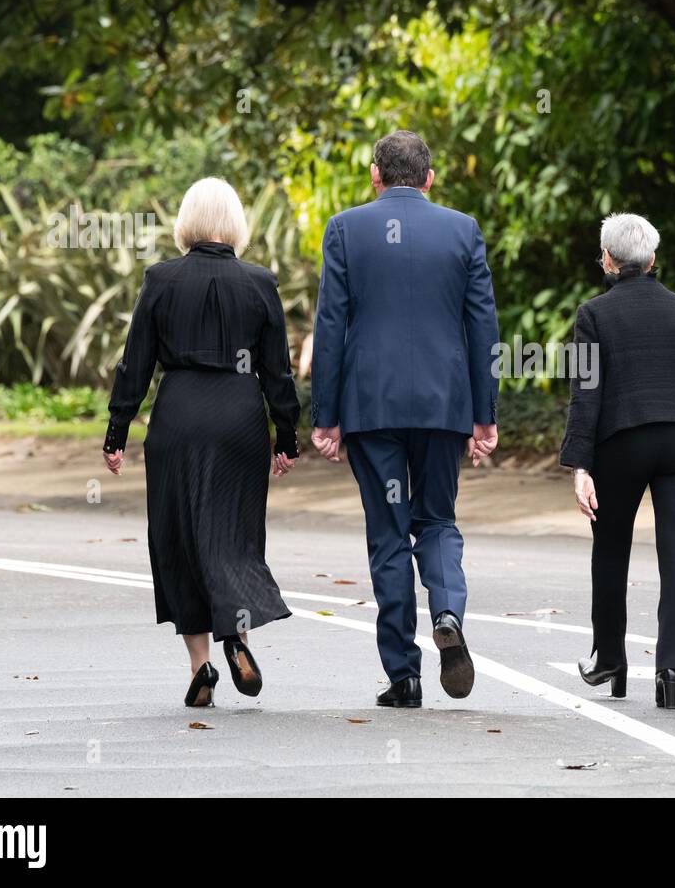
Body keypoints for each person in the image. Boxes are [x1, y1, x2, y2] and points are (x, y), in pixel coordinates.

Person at [310, 130, 499, 709]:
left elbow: (331, 326)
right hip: (445, 405)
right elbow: (483, 327)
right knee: (437, 518)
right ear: (430, 178)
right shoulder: (462, 230)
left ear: (374, 174)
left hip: (372, 407)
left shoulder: (346, 229)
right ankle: (446, 608)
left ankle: (405, 676)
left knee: (388, 535)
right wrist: (483, 414)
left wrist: (327, 415)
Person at [102, 177, 300, 708]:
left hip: (178, 416)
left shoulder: (161, 280)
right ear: (236, 222)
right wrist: (287, 435)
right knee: (233, 534)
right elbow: (277, 371)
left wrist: (117, 429)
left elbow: (134, 361)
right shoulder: (260, 283)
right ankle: (236, 632)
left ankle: (201, 667)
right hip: (239, 418)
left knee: (179, 538)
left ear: (186, 222)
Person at [560, 213, 675, 709]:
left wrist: (581, 466)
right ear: (654, 260)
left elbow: (585, 395)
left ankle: (609, 657)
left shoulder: (593, 315)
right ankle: (671, 669)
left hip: (621, 444)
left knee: (611, 549)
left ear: (608, 260)